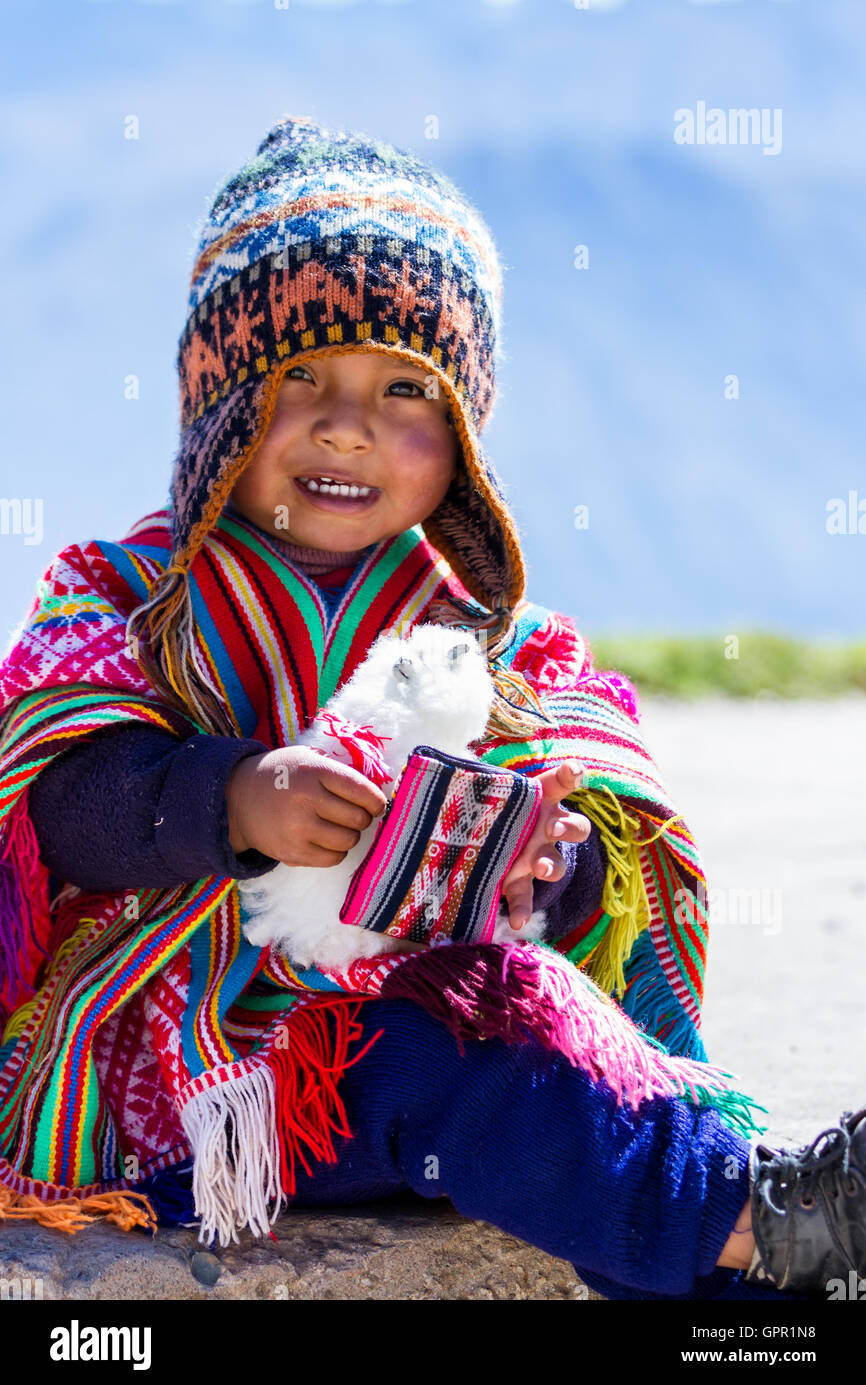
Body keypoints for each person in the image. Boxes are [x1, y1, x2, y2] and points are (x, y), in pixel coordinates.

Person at [0, 115, 862, 1301]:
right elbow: (53, 804)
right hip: (199, 1094)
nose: (346, 422)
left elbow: (612, 852)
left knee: (558, 1044)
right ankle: (762, 1224)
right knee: (456, 1064)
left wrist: (545, 867)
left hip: (442, 1023)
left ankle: (773, 1255)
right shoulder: (131, 599)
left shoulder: (491, 631)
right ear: (218, 404)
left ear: (462, 430)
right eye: (299, 375)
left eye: (405, 386)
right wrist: (236, 796)